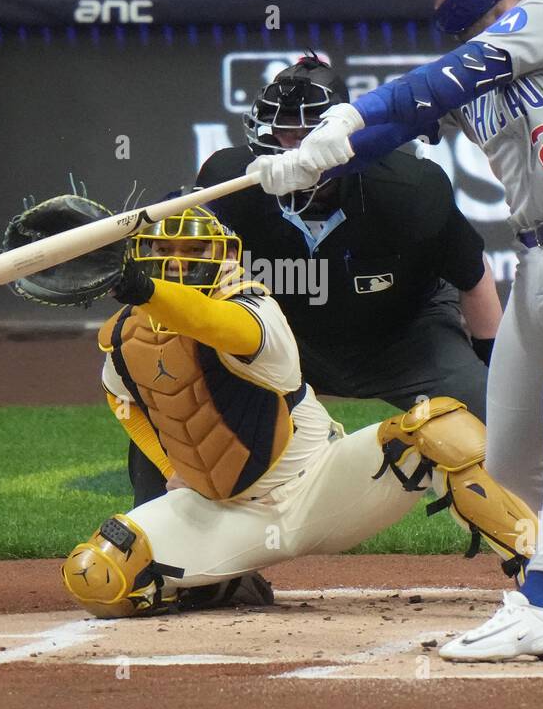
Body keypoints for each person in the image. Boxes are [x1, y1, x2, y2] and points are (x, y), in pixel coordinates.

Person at [246, 0, 543, 662]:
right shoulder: (475, 61)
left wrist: (348, 118)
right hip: (541, 265)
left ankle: (542, 601)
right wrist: (320, 159)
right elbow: (405, 123)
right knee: (511, 457)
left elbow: (430, 86)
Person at [51, 203, 543, 618]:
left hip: (320, 489)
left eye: (196, 251)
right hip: (223, 513)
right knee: (98, 577)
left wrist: (144, 290)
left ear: (224, 257)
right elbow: (123, 399)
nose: (180, 263)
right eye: (165, 251)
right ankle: (220, 586)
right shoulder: (124, 334)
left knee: (437, 426)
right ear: (142, 256)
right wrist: (168, 467)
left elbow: (219, 327)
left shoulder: (251, 306)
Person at [122, 56, 503, 524]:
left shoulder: (408, 189)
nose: (290, 147)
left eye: (304, 135)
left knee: (501, 419)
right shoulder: (226, 185)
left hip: (406, 336)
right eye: (281, 133)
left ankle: (539, 551)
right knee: (178, 401)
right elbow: (187, 290)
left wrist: (494, 375)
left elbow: (473, 276)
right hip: (280, 342)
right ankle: (163, 545)